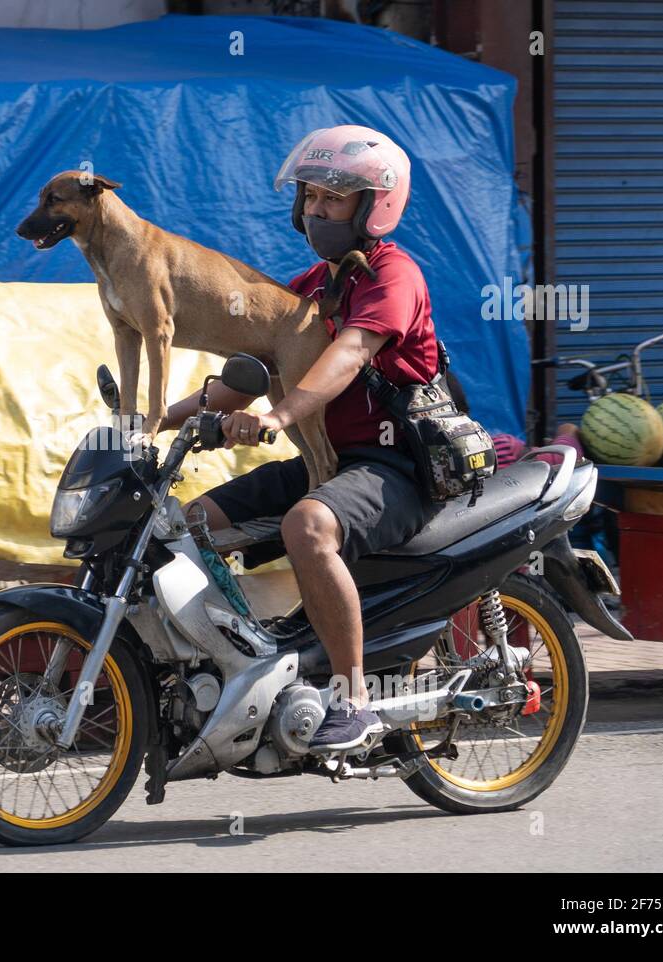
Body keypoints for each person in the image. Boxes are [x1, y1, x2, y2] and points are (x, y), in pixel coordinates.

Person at [157, 125, 437, 751]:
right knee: (188, 524)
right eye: (309, 197)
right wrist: (158, 419)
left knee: (307, 525)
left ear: (374, 205)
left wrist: (279, 419)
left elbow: (346, 356)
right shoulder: (309, 287)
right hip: (327, 463)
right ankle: (255, 662)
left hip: (393, 465)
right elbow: (247, 375)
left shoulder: (394, 277)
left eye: (333, 200)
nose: (316, 211)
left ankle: (354, 697)